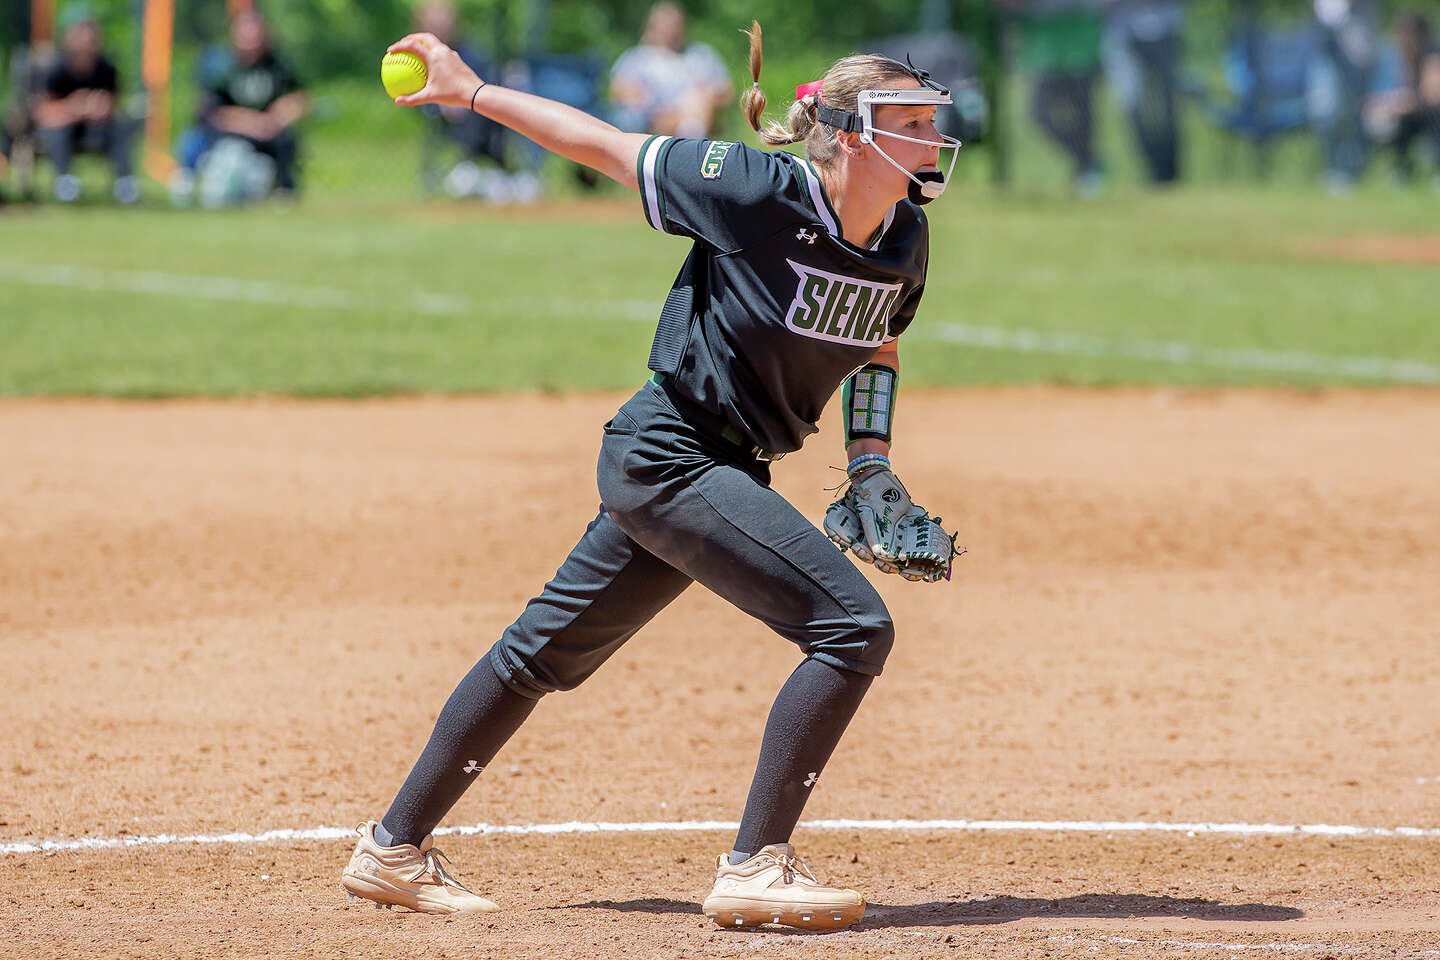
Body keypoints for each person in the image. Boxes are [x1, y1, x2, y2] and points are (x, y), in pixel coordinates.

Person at [340, 20, 962, 931]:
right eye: (909, 118)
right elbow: (602, 143)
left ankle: (392, 848)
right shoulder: (757, 190)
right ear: (850, 131)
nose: (933, 135)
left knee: (538, 655)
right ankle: (756, 864)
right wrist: (470, 92)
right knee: (851, 627)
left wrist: (871, 460)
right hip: (669, 452)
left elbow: (879, 337)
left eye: (931, 120)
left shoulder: (904, 235)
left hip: (717, 466)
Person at [184, 9, 307, 198]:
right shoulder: (222, 67)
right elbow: (212, 111)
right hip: (233, 135)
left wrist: (281, 114)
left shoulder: (276, 64)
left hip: (270, 132)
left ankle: (285, 189)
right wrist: (253, 123)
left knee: (286, 140)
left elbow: (299, 96)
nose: (252, 40)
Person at [34, 16, 137, 204]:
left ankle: (125, 183)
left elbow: (115, 102)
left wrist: (102, 107)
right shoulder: (58, 70)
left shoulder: (106, 69)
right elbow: (43, 112)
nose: (87, 46)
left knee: (121, 125)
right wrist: (74, 107)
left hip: (97, 128)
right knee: (58, 132)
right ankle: (65, 182)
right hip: (65, 129)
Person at [608, 1, 732, 138]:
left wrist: (705, 94)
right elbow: (617, 89)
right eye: (663, 23)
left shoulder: (701, 55)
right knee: (626, 117)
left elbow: (725, 92)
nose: (668, 28)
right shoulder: (637, 57)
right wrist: (641, 99)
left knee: (698, 108)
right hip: (649, 117)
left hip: (690, 115)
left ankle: (690, 148)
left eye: (673, 23)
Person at [1366, 10, 1440, 185]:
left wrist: (1398, 104)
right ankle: (1403, 169)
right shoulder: (1395, 57)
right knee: (1395, 124)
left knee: (1434, 118)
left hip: (1432, 115)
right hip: (1412, 115)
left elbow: (1432, 96)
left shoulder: (1433, 54)